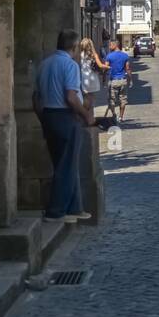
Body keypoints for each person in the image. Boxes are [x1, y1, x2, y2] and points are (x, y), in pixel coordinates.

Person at [34, 30, 92, 220]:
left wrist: (42, 118)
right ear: (74, 47)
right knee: (66, 166)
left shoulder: (44, 64)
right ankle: (56, 210)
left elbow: (36, 97)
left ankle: (75, 207)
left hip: (48, 115)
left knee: (65, 163)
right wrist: (85, 115)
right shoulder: (70, 65)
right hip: (65, 116)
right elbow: (71, 97)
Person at [104, 38, 133, 124]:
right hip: (123, 80)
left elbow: (105, 68)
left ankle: (114, 114)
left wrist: (103, 78)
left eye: (110, 45)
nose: (109, 46)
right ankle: (121, 117)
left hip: (113, 81)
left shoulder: (109, 56)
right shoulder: (125, 56)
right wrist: (130, 79)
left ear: (115, 45)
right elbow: (127, 69)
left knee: (111, 100)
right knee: (122, 99)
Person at [79, 37, 107, 118]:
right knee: (91, 101)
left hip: (83, 78)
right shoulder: (94, 55)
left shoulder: (79, 55)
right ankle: (91, 117)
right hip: (92, 79)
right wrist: (108, 67)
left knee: (83, 100)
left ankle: (84, 117)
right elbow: (100, 66)